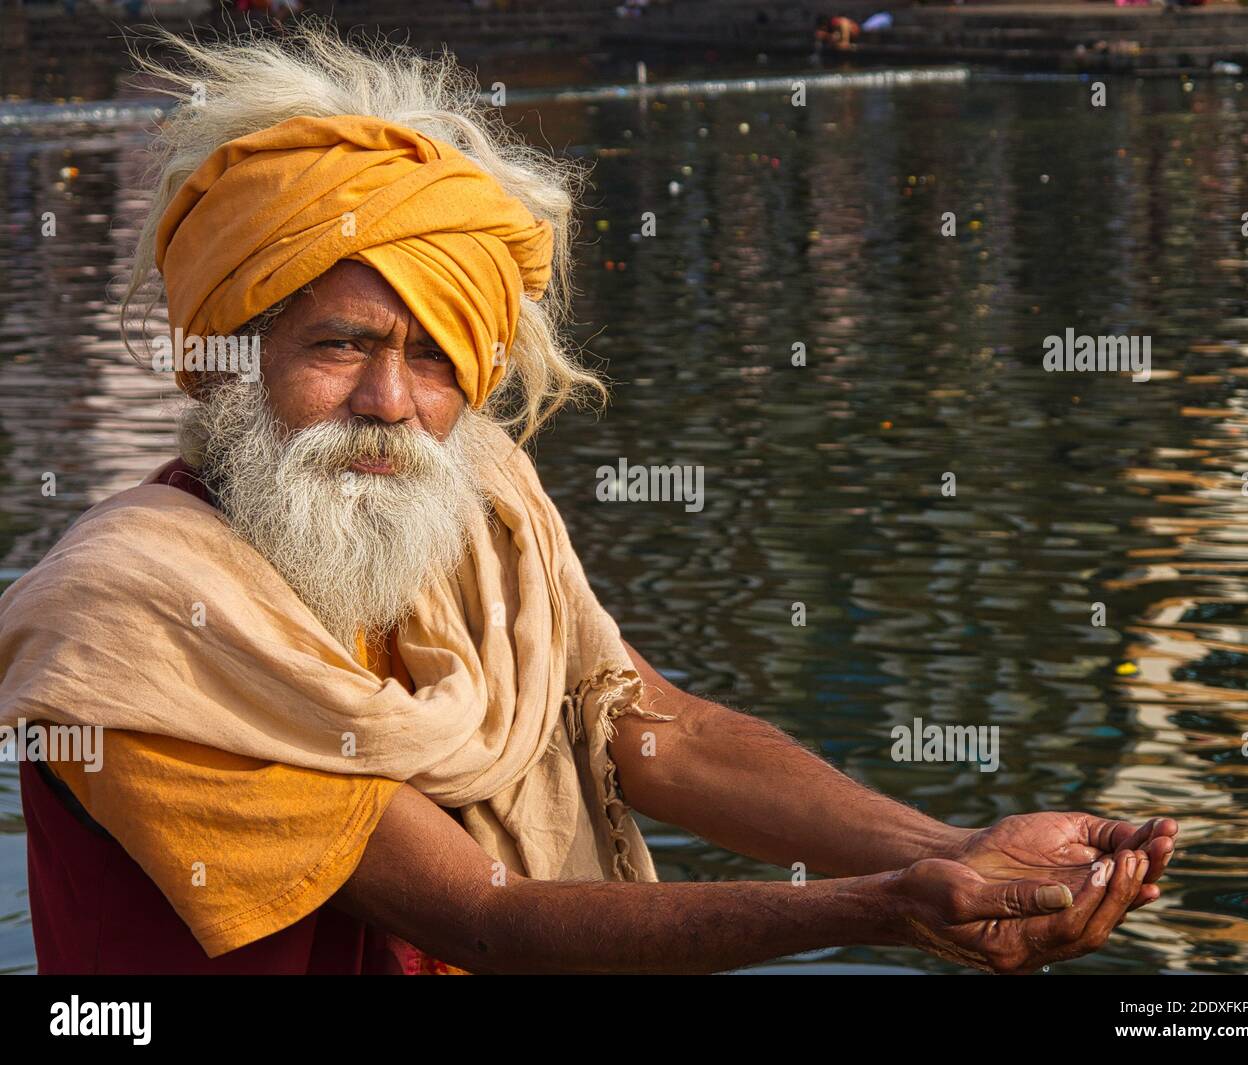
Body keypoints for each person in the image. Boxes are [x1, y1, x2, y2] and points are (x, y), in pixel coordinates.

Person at [0, 21, 1178, 975]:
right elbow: (484, 920)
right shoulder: (131, 620)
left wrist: (952, 845)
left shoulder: (474, 499)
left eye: (437, 361)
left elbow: (634, 726)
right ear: (217, 359)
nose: (392, 403)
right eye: (337, 348)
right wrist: (887, 905)